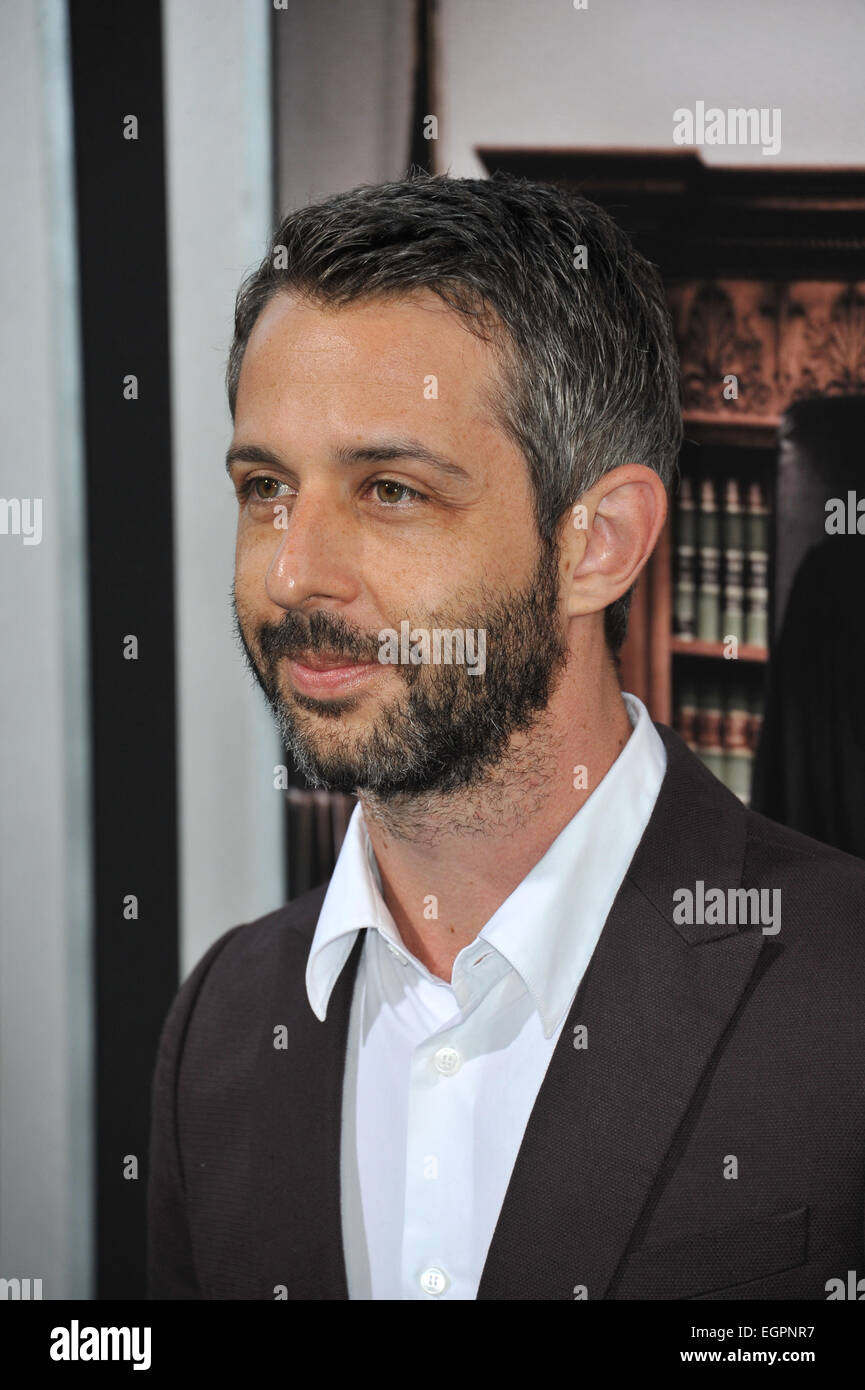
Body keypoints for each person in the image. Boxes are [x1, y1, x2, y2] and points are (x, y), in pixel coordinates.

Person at [147, 171, 865, 1301]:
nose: (293, 572)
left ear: (598, 543)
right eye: (266, 487)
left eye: (390, 489)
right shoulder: (220, 1024)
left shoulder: (843, 989)